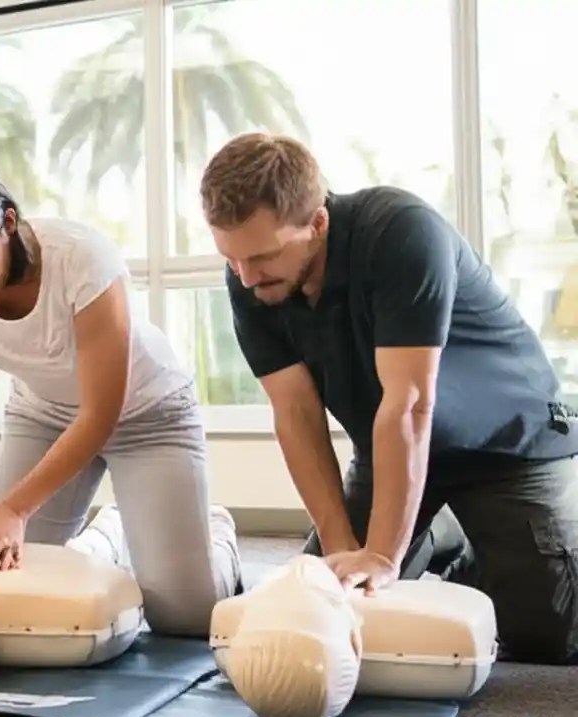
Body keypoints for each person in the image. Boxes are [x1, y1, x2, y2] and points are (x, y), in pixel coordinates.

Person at [205, 131, 578, 665]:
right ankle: (439, 531)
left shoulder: (402, 233)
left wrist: (381, 554)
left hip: (509, 449)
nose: (244, 276)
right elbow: (295, 412)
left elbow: (409, 404)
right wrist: (341, 547)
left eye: (261, 256)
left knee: (549, 640)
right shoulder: (250, 278)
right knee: (325, 605)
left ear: (318, 222)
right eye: (232, 257)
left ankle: (463, 542)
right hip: (392, 450)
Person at [0, 158, 242, 637]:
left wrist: (14, 510)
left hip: (149, 416)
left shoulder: (82, 257)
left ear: (9, 224)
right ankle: (112, 536)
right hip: (44, 416)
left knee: (184, 616)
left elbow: (101, 412)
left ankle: (213, 533)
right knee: (7, 582)